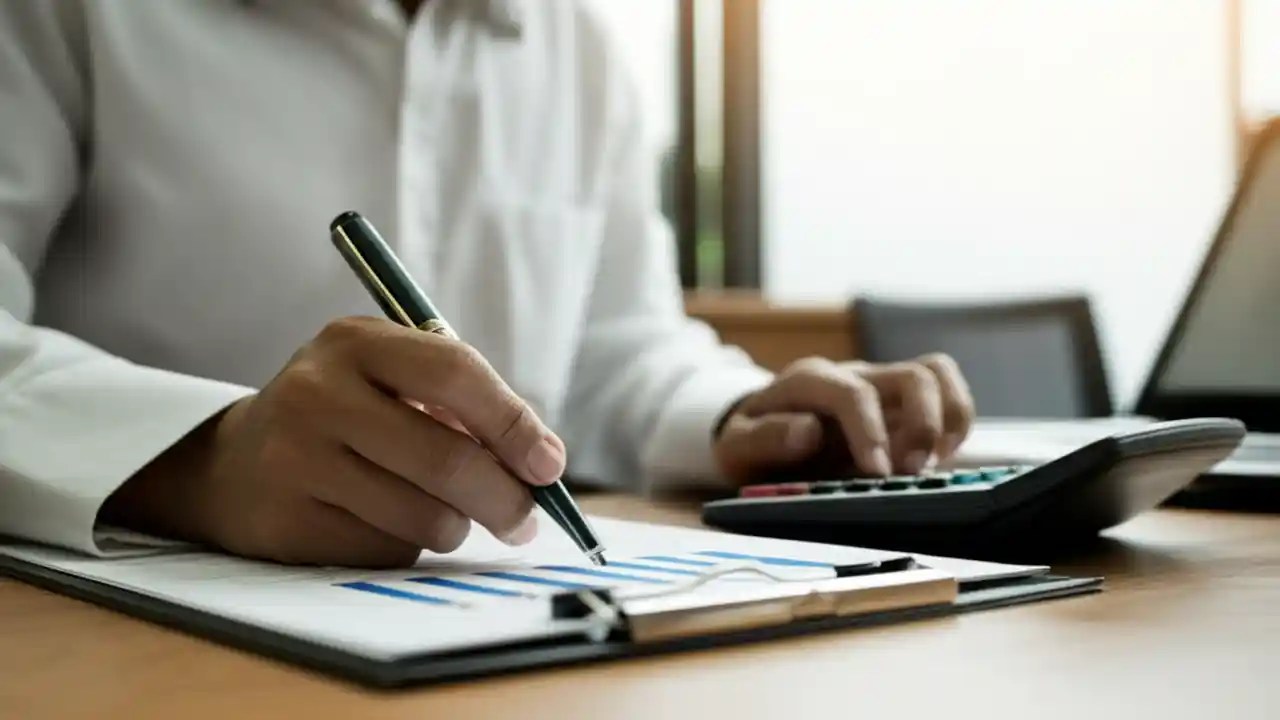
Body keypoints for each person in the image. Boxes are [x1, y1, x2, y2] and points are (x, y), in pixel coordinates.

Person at [0, 0, 974, 568]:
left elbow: (614, 344)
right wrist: (199, 460)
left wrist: (735, 416)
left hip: (487, 638)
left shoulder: (572, 41)